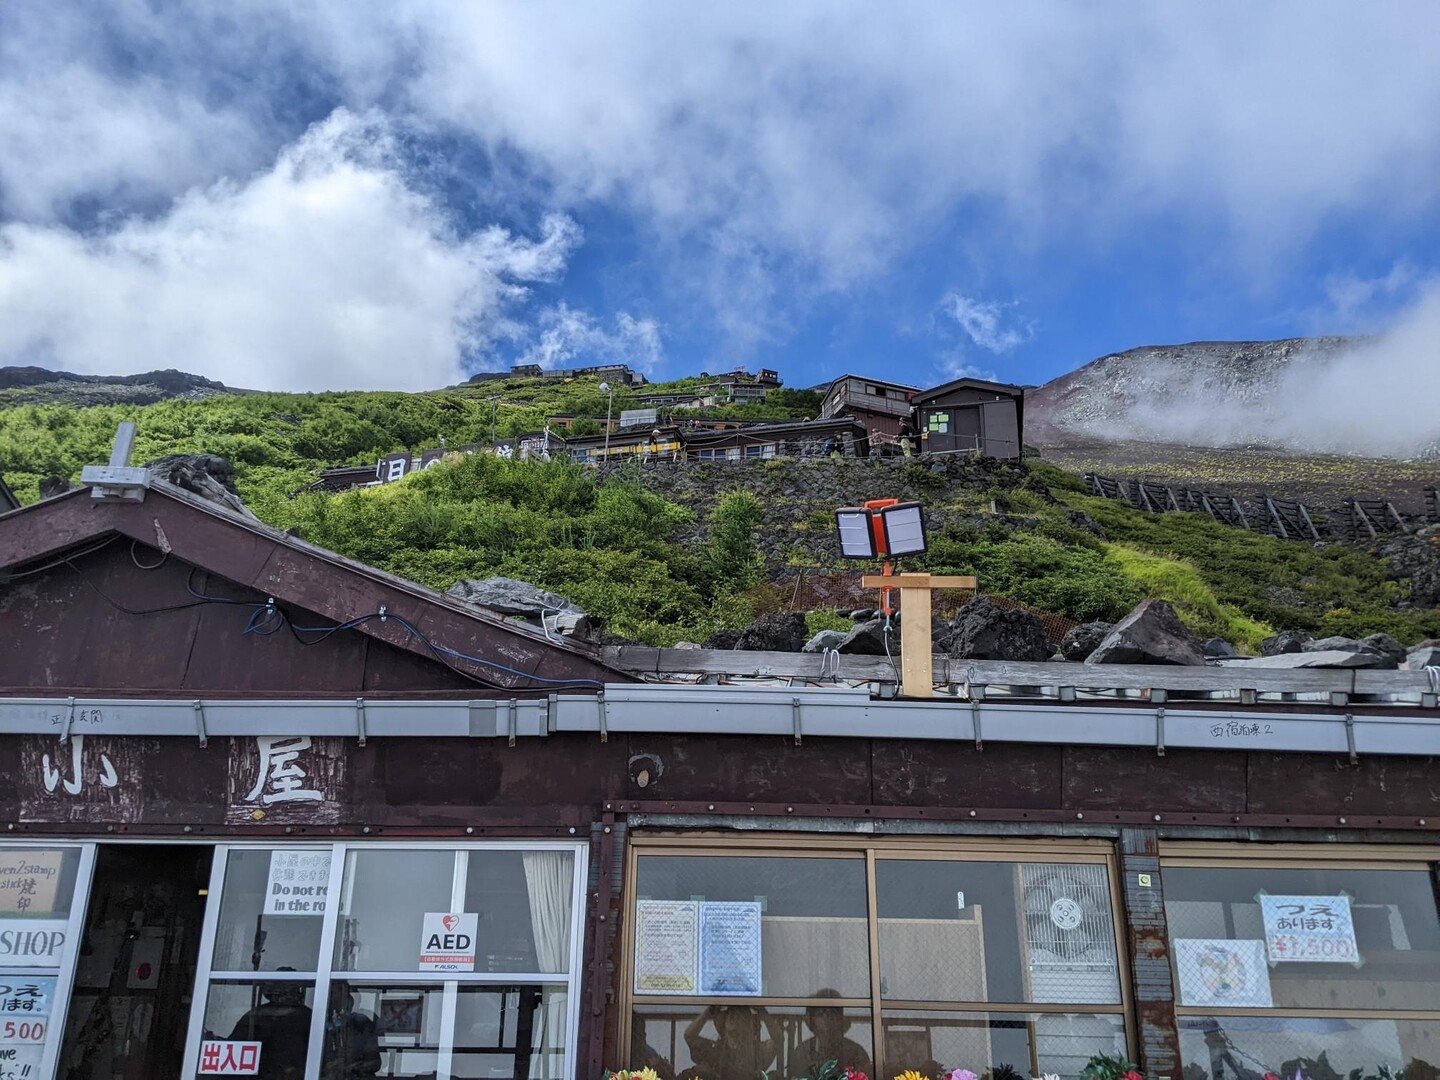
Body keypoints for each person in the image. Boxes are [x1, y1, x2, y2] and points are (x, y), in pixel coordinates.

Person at [228, 972, 313, 1080]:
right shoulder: (257, 1015)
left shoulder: (306, 1016)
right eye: (283, 988)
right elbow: (236, 1048)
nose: (287, 993)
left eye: (291, 988)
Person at [681, 1004, 778, 1080]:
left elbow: (777, 1040)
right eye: (732, 1016)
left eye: (741, 1017)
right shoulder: (713, 1051)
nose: (735, 1020)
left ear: (748, 1024)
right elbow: (689, 1036)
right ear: (724, 1023)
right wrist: (709, 1011)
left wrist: (763, 1012)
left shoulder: (758, 1053)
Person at [790, 990, 871, 1077]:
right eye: (820, 1013)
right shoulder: (802, 1052)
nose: (826, 1017)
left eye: (832, 1012)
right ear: (812, 1020)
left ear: (840, 1019)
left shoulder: (856, 1052)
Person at [321, 992, 382, 1079]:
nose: (340, 1012)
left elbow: (375, 1063)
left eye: (345, 1007)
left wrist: (354, 1067)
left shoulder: (361, 1024)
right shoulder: (319, 1025)